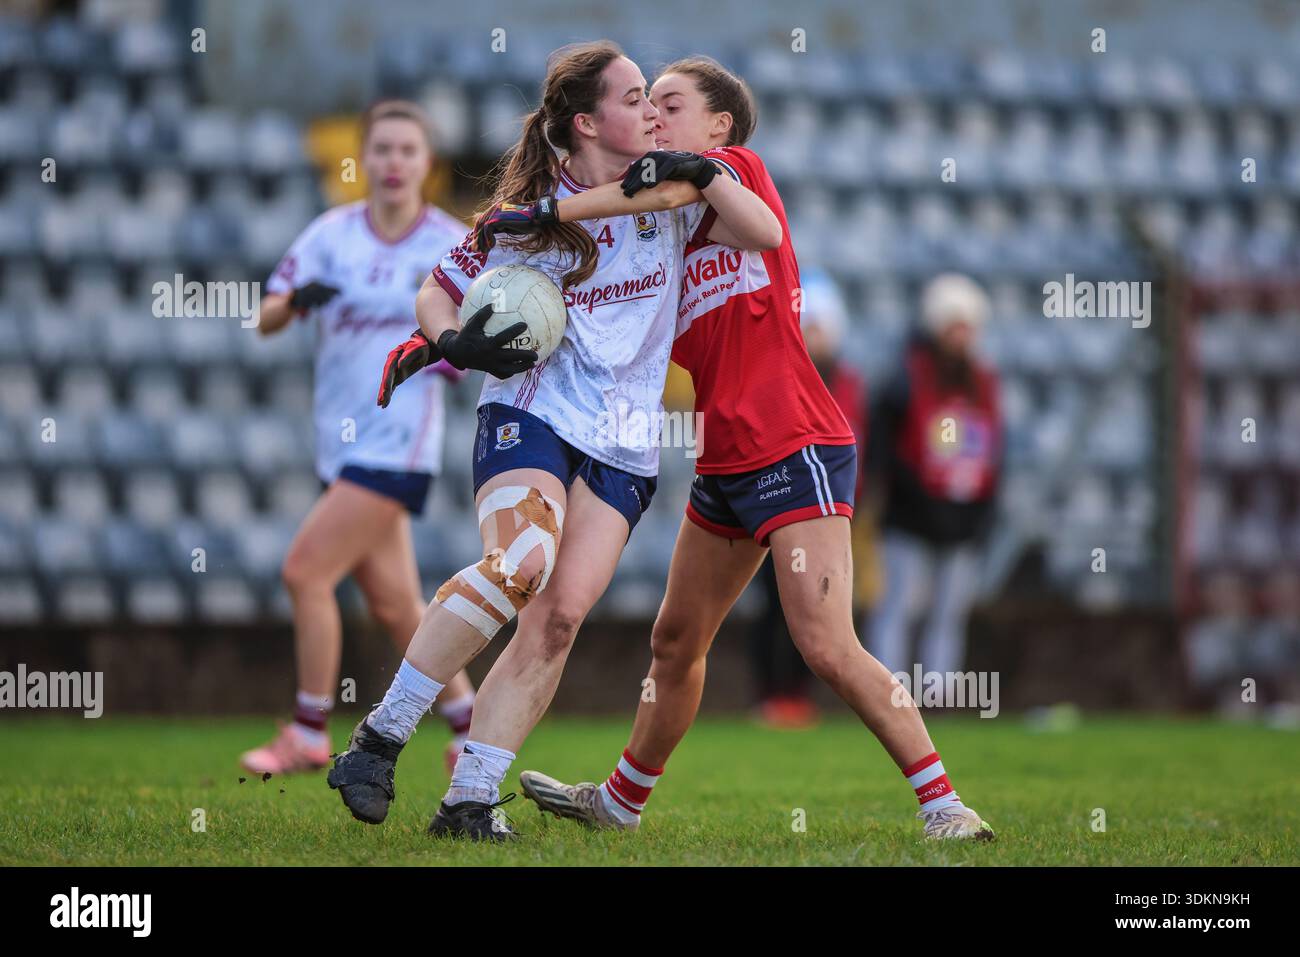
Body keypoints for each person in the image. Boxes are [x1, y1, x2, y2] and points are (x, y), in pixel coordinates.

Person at [497, 57, 995, 840]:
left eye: (670, 102)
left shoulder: (735, 170)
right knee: (674, 641)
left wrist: (558, 205)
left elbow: (714, 202)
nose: (653, 114)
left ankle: (946, 804)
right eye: (646, 103)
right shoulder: (665, 226)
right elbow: (642, 211)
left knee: (827, 644)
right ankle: (621, 803)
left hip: (795, 440)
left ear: (719, 124)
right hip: (725, 456)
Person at [325, 41, 781, 840]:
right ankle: (379, 738)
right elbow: (438, 288)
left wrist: (706, 171)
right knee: (522, 566)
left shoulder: (673, 188)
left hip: (625, 443)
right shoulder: (530, 208)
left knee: (560, 617)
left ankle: (468, 801)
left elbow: (765, 233)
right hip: (530, 418)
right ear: (586, 120)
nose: (651, 110)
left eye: (654, 98)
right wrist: (453, 341)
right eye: (635, 96)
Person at [240, 100, 477, 776]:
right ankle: (471, 723)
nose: (395, 162)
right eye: (383, 149)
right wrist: (295, 303)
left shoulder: (451, 245)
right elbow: (264, 318)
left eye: (409, 150)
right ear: (364, 159)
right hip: (338, 443)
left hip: (396, 442)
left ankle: (310, 728)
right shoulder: (331, 234)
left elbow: (477, 338)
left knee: (304, 572)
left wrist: (455, 349)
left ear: (426, 163)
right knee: (396, 604)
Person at [866, 273, 1003, 678]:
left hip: (962, 516)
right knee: (897, 606)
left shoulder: (984, 382)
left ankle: (938, 693)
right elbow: (884, 449)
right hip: (910, 515)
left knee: (948, 614)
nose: (960, 337)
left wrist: (983, 511)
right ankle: (885, 692)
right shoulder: (906, 378)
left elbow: (994, 451)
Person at [749, 268, 868, 729]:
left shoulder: (850, 382)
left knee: (819, 610)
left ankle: (799, 696)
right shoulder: (780, 376)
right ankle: (769, 695)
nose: (815, 336)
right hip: (778, 504)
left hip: (831, 508)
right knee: (773, 605)